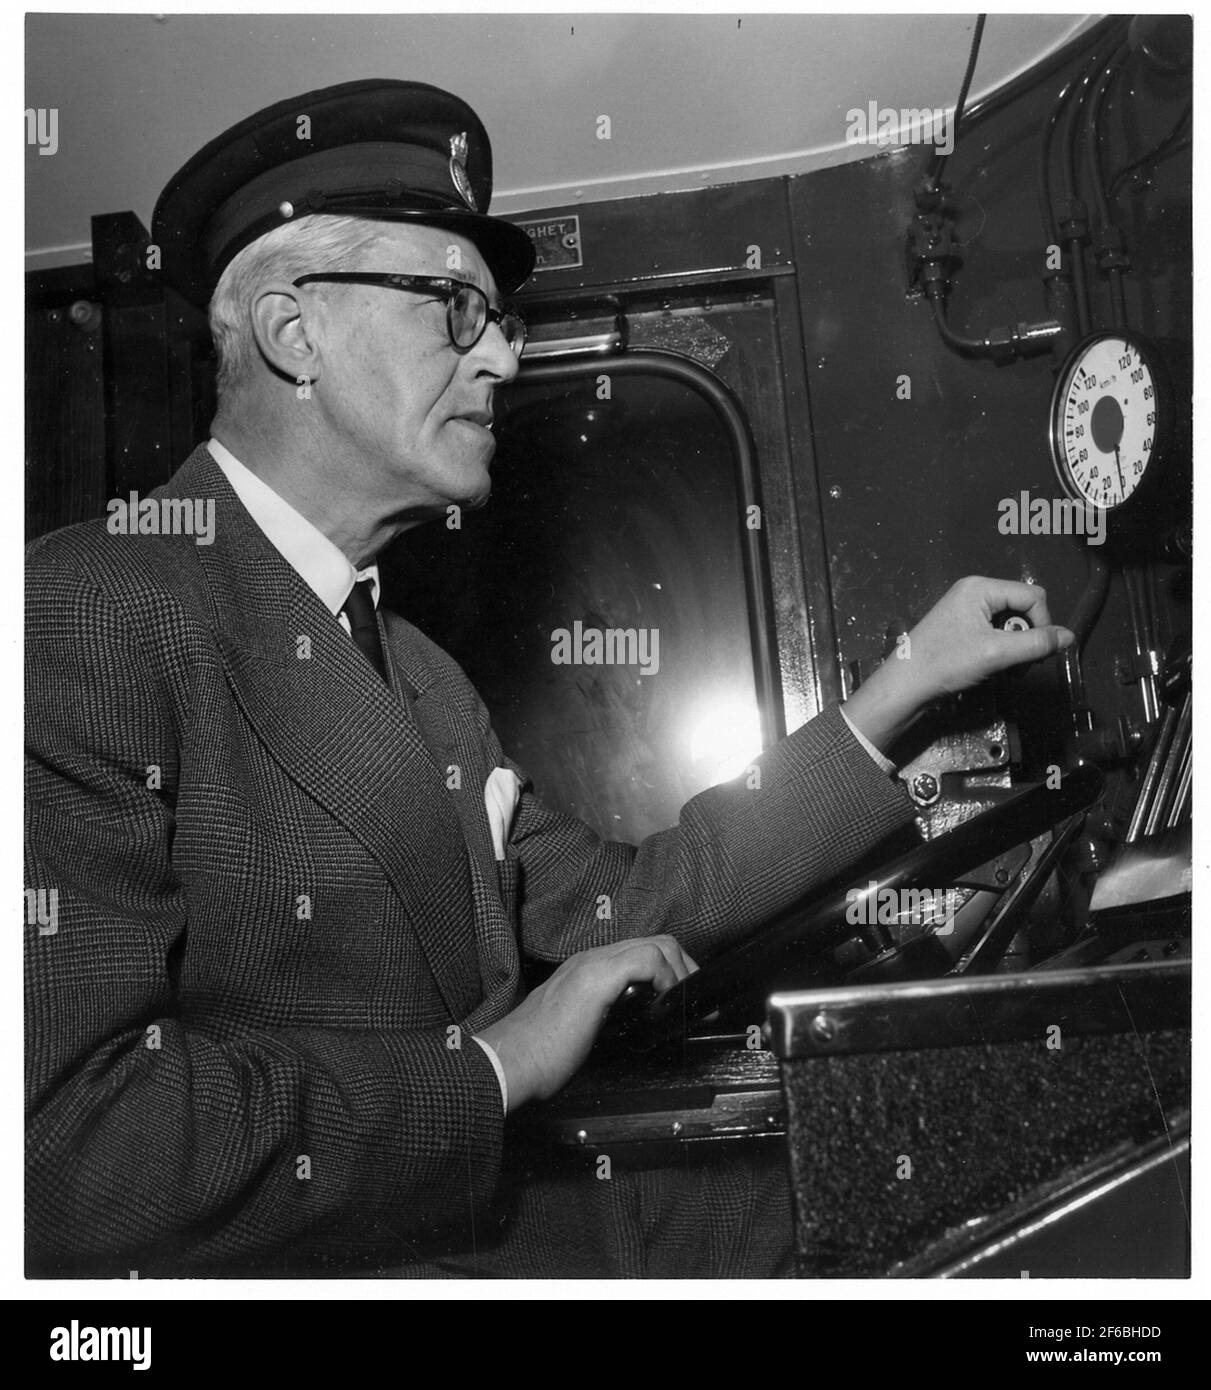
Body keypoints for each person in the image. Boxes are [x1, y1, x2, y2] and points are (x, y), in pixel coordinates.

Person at [25, 79, 1074, 1279]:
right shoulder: (91, 610)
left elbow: (625, 906)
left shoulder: (415, 672)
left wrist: (899, 691)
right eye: (455, 309)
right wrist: (496, 1064)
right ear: (292, 331)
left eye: (502, 319)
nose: (504, 358)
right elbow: (68, 1149)